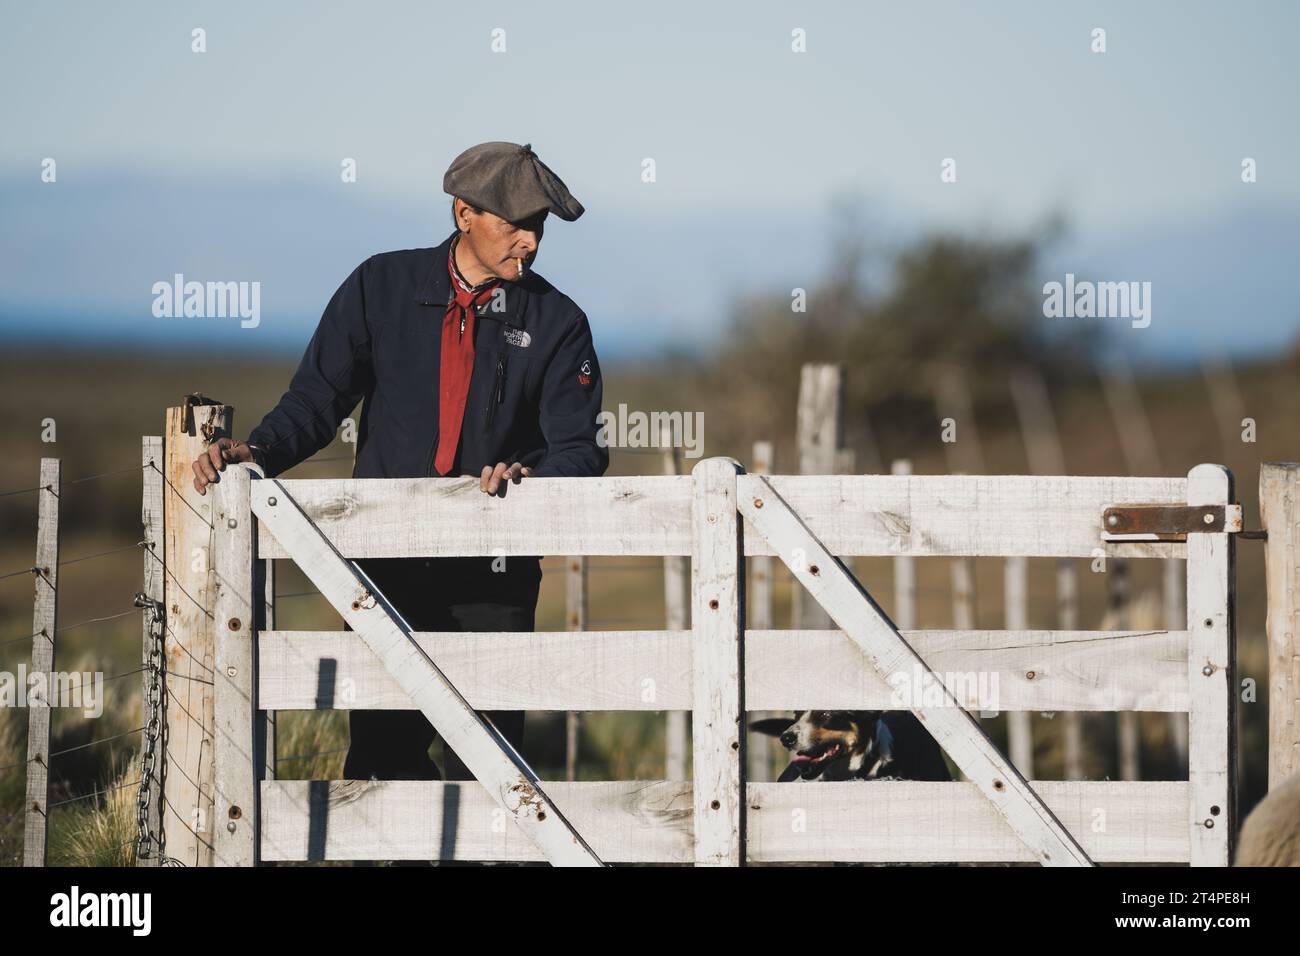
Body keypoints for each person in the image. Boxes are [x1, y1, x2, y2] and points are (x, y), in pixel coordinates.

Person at [191, 141, 607, 782]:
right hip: (386, 566)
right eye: (514, 225)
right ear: (463, 213)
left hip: (494, 574)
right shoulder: (379, 287)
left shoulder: (558, 321)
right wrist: (261, 451)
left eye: (538, 227)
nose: (529, 242)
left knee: (493, 765)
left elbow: (579, 450)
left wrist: (531, 478)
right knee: (384, 759)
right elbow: (316, 400)